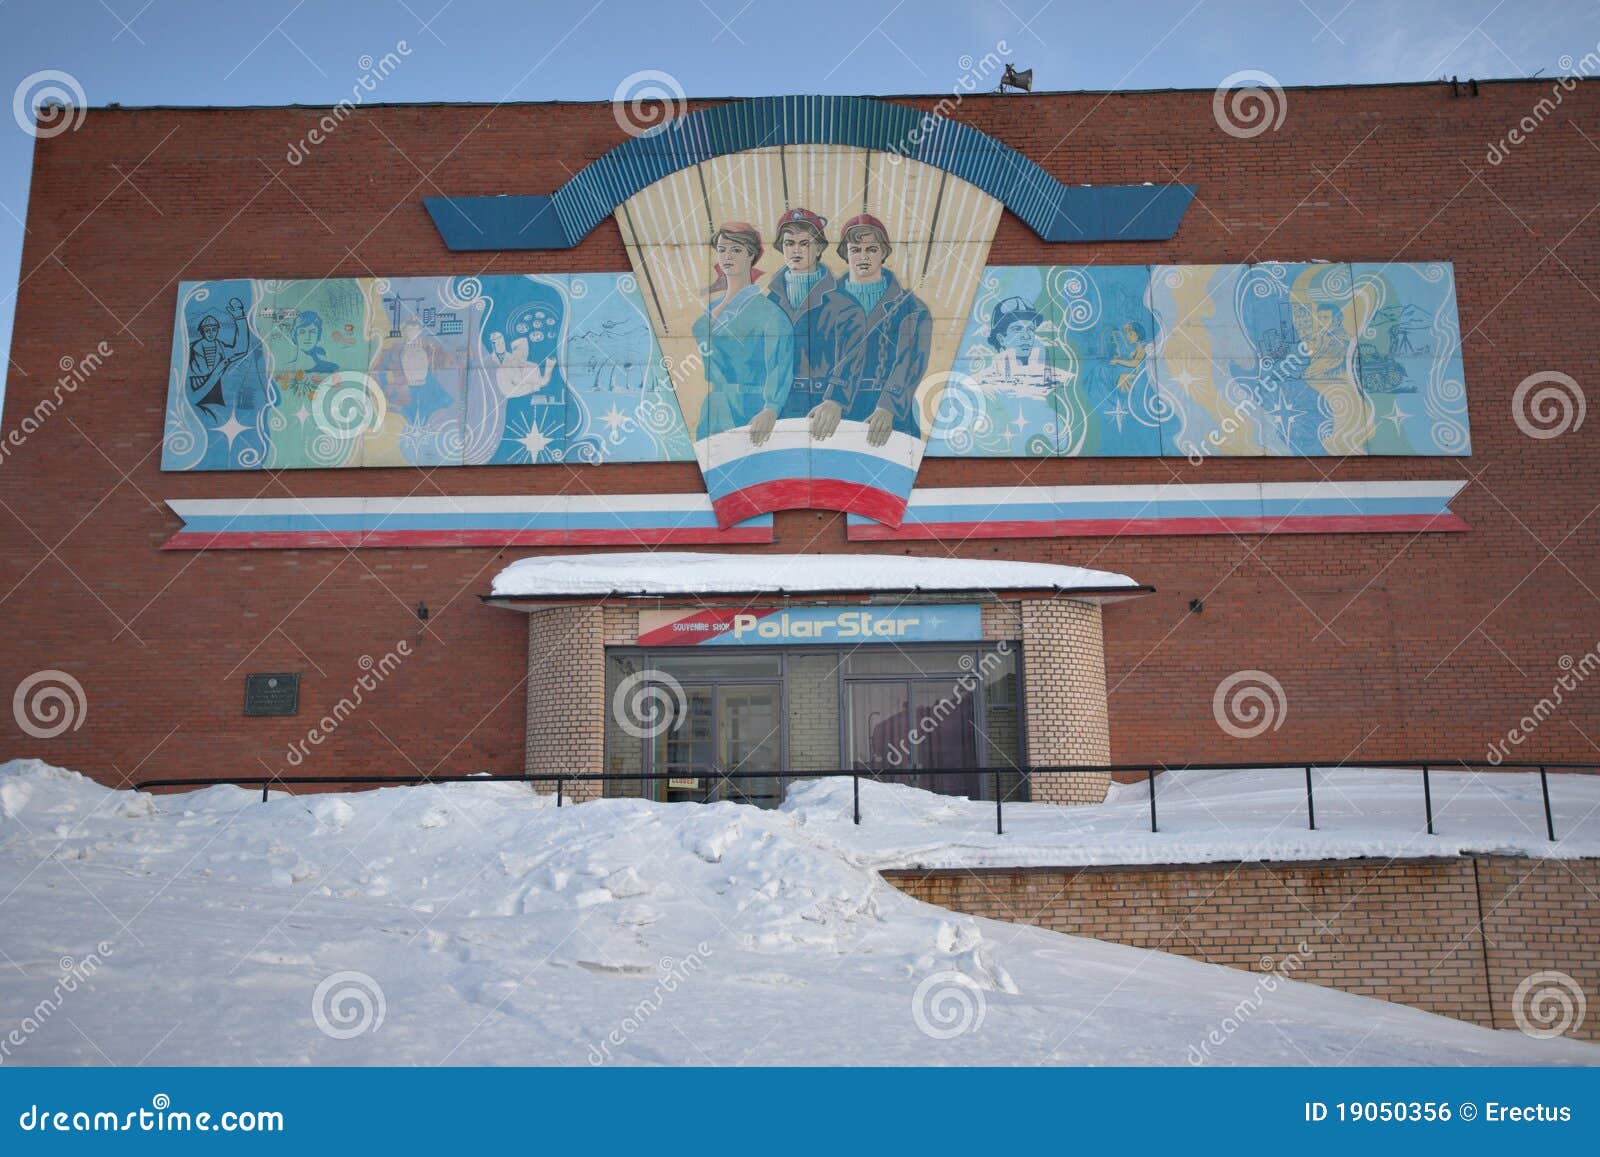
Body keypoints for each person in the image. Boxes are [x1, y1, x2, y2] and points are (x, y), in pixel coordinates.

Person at [811, 214, 930, 448]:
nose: (863, 257)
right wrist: (830, 400)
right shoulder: (822, 304)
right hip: (832, 411)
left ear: (884, 252)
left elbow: (911, 362)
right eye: (855, 249)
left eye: (871, 249)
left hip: (889, 413)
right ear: (845, 253)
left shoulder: (911, 307)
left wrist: (888, 407)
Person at [691, 222, 794, 443]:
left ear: (751, 255)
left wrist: (771, 408)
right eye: (722, 249)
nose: (727, 256)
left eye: (736, 250)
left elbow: (780, 368)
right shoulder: (708, 313)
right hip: (714, 410)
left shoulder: (770, 315)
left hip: (751, 409)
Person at [763, 208, 862, 429]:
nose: (795, 250)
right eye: (789, 243)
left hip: (826, 408)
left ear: (819, 248)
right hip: (778, 408)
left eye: (804, 243)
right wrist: (767, 407)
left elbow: (852, 357)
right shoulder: (768, 303)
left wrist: (835, 400)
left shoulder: (843, 304)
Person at [186, 296, 253, 418]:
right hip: (197, 394)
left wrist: (240, 317)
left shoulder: (220, 347)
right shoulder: (191, 350)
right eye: (208, 330)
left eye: (214, 329)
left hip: (216, 396)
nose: (211, 333)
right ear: (202, 331)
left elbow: (241, 349)